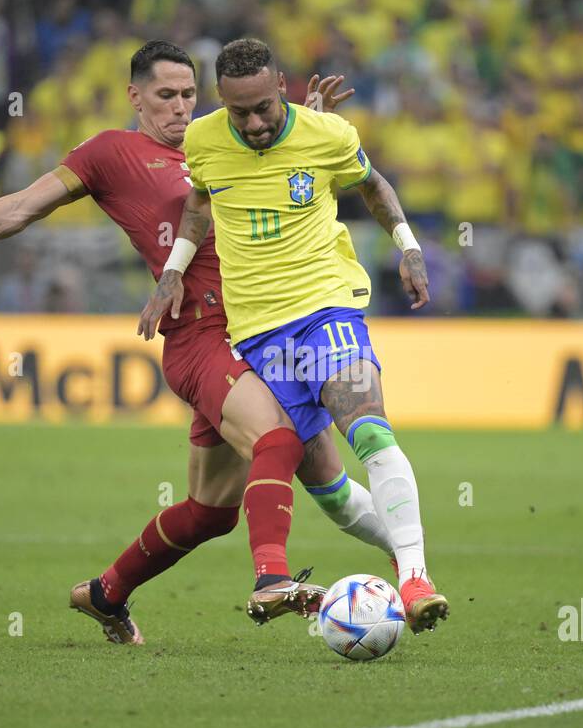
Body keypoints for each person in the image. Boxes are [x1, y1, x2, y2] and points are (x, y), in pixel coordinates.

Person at [0, 41, 395, 643]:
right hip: (202, 335)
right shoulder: (111, 153)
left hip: (269, 326)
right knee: (277, 438)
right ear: (134, 96)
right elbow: (17, 209)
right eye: (165, 95)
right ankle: (272, 579)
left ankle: (104, 594)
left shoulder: (224, 142)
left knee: (212, 511)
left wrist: (311, 127)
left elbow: (306, 173)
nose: (179, 108)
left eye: (189, 95)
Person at [141, 38, 448, 634]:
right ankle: (406, 552)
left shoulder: (328, 135)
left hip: (327, 309)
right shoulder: (202, 141)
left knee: (367, 424)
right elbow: (200, 204)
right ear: (222, 104)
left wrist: (408, 248)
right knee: (331, 494)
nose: (253, 124)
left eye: (263, 108)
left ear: (281, 87)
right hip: (258, 335)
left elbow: (375, 186)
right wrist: (173, 271)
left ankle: (414, 580)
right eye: (239, 113)